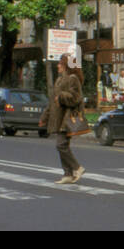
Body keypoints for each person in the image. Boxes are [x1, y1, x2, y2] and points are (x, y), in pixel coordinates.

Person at [48, 53, 86, 184]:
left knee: (61, 144)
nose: (58, 66)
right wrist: (45, 116)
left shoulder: (73, 78)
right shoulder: (60, 80)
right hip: (59, 118)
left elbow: (76, 97)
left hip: (67, 118)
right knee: (62, 145)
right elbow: (52, 101)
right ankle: (67, 174)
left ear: (66, 66)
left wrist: (61, 97)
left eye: (60, 63)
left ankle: (77, 167)